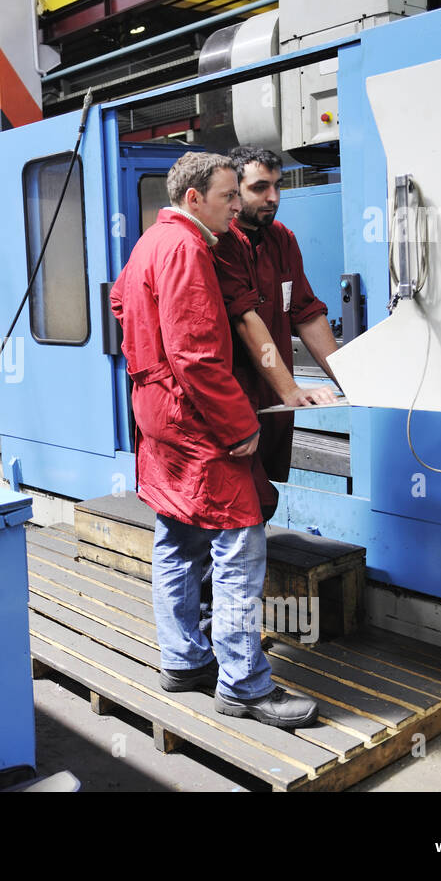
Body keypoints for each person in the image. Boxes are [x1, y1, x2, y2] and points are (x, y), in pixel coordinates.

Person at [110, 151, 318, 728]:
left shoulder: (152, 241)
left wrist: (145, 362)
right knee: (239, 548)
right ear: (195, 198)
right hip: (199, 422)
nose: (239, 207)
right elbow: (196, 354)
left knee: (177, 536)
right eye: (231, 196)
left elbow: (121, 302)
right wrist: (240, 423)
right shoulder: (188, 248)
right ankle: (245, 686)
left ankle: (184, 660)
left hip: (159, 415)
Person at [213, 146, 342, 521]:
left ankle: (246, 576)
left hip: (274, 406)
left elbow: (305, 311)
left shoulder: (281, 238)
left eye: (277, 186)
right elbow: (245, 320)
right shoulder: (220, 243)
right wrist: (292, 389)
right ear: (232, 192)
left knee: (261, 501)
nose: (273, 198)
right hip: (236, 401)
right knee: (238, 507)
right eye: (259, 188)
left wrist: (349, 378)